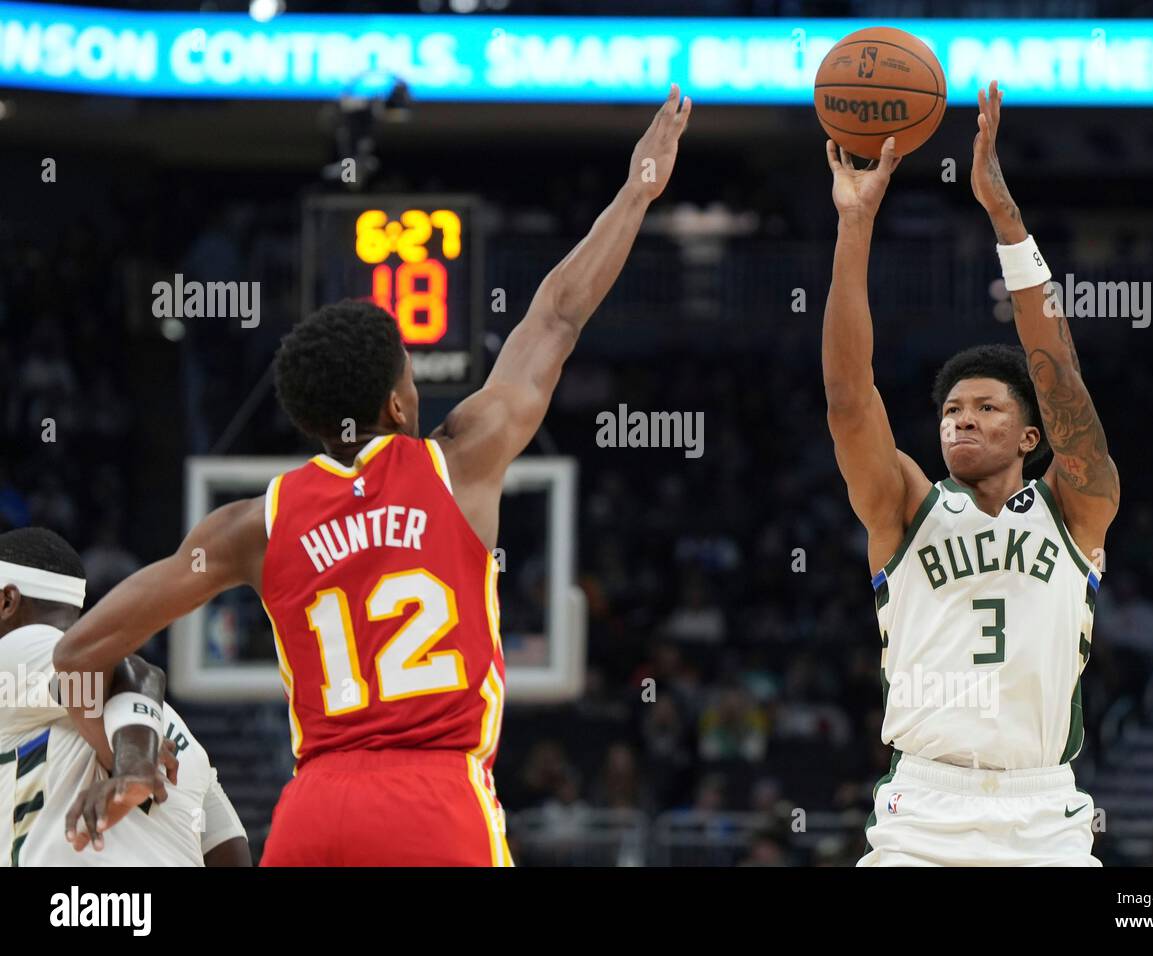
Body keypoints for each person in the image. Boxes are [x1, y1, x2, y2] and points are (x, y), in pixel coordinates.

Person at [54, 86, 692, 866]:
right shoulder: (463, 459)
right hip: (437, 803)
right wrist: (640, 188)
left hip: (315, 813)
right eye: (414, 377)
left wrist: (127, 759)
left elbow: (78, 653)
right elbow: (557, 316)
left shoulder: (252, 526)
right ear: (396, 401)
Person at [822, 81, 1119, 866]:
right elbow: (849, 399)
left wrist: (1006, 221)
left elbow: (1059, 374)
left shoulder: (1077, 504)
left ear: (1031, 434)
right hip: (923, 809)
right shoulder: (906, 506)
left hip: (1044, 811)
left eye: (987, 408)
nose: (962, 419)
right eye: (953, 409)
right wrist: (856, 224)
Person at [0, 527, 247, 866]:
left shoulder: (15, 653)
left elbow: (125, 668)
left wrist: (133, 767)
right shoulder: (179, 731)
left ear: (6, 602)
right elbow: (228, 849)